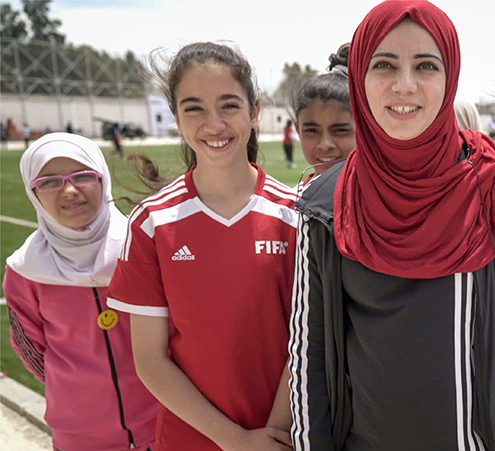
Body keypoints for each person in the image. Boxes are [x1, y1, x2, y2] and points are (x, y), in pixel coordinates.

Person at [279, 2, 495, 449]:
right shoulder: (326, 204)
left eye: (426, 65)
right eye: (384, 64)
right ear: (359, 76)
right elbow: (309, 358)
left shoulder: (493, 180)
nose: (405, 85)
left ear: (450, 76)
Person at [106, 42, 296, 451]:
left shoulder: (296, 216)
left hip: (283, 437)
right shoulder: (151, 223)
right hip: (189, 439)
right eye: (194, 108)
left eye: (229, 105)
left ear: (255, 111)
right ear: (175, 118)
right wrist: (236, 442)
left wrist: (268, 437)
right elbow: (150, 361)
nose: (214, 124)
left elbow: (306, 340)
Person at [4, 132, 158, 451]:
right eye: (50, 181)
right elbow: (31, 349)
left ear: (102, 179)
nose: (70, 190)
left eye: (84, 176)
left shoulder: (143, 248)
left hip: (162, 428)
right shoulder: (24, 271)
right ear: (33, 191)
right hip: (79, 438)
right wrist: (73, 392)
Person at [290, 43, 355, 197]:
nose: (326, 145)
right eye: (312, 131)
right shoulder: (289, 208)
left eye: (340, 131)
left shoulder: (386, 203)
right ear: (298, 131)